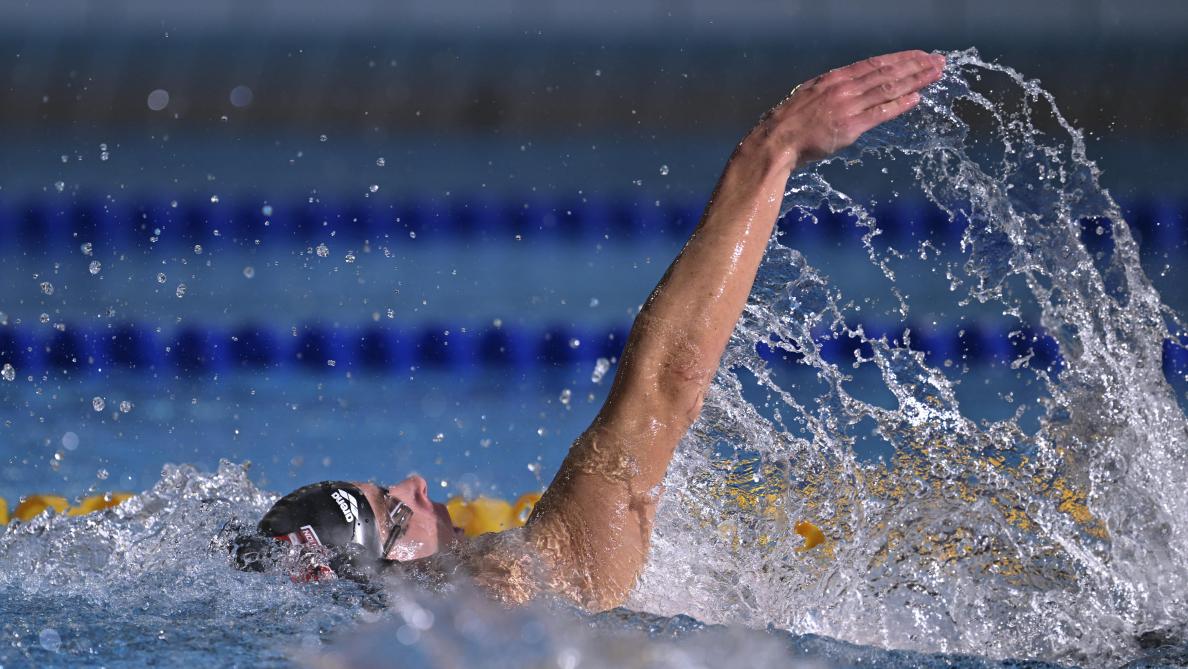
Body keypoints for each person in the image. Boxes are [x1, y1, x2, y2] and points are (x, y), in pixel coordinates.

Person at [236, 50, 947, 610]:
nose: (418, 481)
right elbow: (664, 390)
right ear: (393, 568)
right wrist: (771, 152)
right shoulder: (515, 582)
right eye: (398, 508)